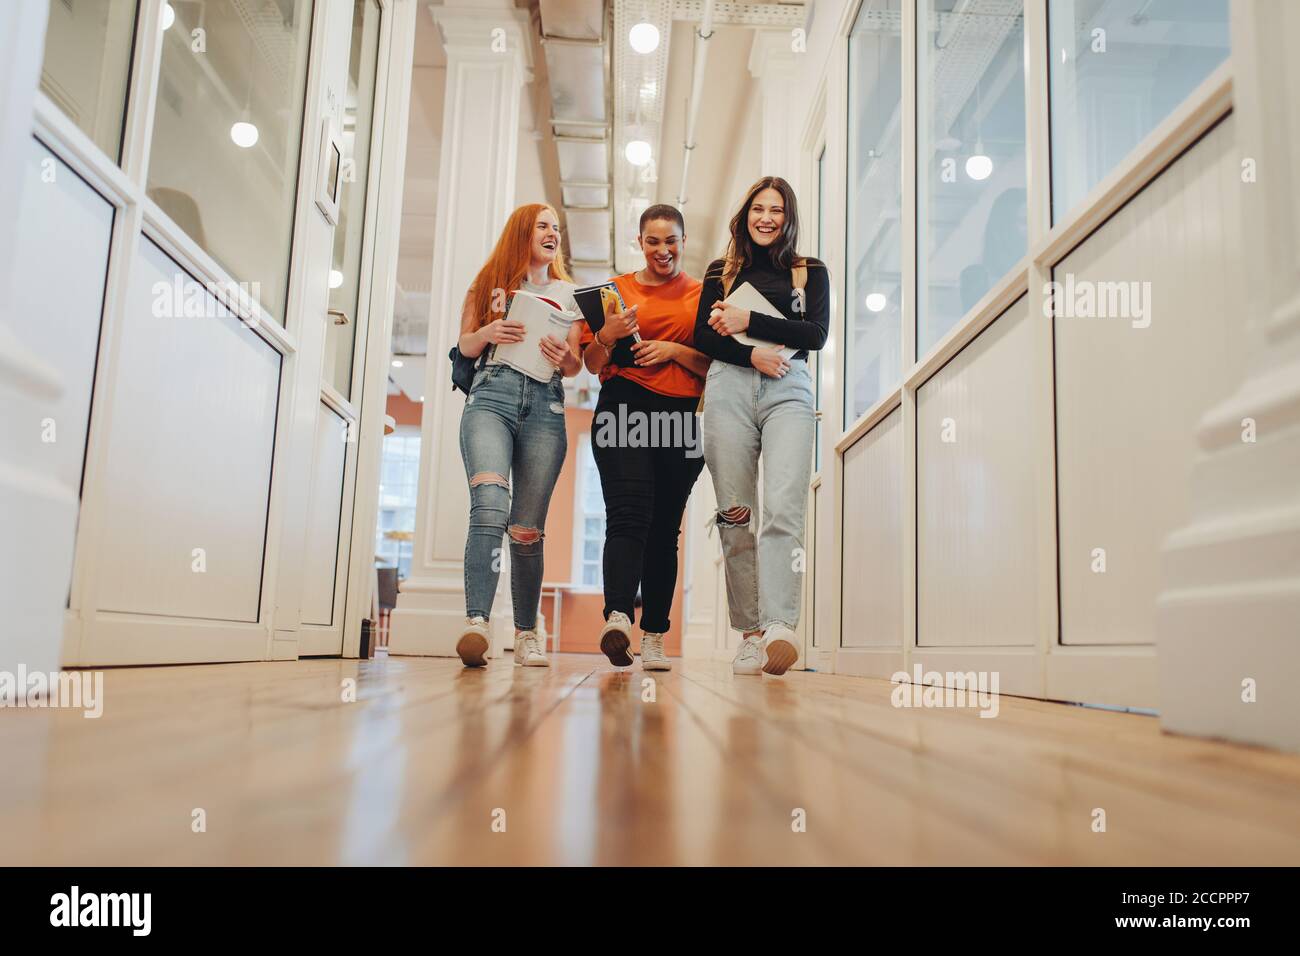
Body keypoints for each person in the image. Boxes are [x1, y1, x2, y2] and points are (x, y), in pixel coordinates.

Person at [693, 177, 830, 676]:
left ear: (788, 217)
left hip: (789, 389)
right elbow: (702, 337)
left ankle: (779, 627)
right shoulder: (720, 271)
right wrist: (751, 352)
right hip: (729, 386)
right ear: (745, 214)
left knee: (784, 508)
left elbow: (814, 333)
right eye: (758, 208)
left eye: (777, 210)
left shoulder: (809, 272)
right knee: (735, 513)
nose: (767, 217)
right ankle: (748, 636)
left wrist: (747, 318)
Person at [581, 204, 712, 670]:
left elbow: (716, 366)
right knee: (628, 513)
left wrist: (675, 349)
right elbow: (592, 365)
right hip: (624, 407)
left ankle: (654, 635)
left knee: (664, 531)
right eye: (653, 241)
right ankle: (617, 616)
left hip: (681, 415)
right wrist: (606, 335)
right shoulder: (614, 290)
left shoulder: (702, 294)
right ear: (640, 242)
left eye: (671, 240)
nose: (663, 250)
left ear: (683, 240)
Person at [455, 203, 584, 668]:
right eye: (542, 226)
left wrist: (563, 356)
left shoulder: (571, 295)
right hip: (491, 396)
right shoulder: (489, 282)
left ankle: (527, 633)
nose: (552, 233)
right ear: (522, 234)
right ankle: (477, 624)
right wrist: (490, 329)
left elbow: (575, 365)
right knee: (489, 503)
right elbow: (465, 344)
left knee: (527, 528)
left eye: (556, 228)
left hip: (546, 406)